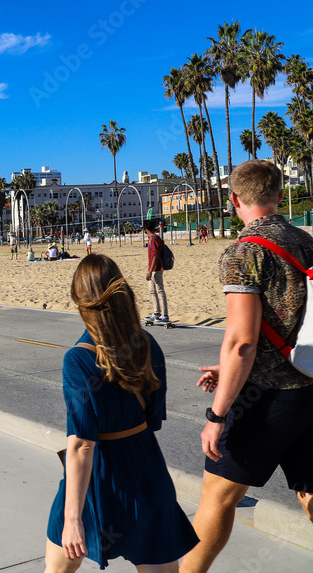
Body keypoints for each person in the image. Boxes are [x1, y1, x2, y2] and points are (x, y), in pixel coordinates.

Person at [181, 160, 313, 572]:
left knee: (218, 497)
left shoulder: (244, 252)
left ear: (234, 199)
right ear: (279, 195)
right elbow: (299, 323)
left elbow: (241, 343)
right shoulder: (306, 241)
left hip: (267, 398)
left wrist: (216, 415)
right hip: (311, 387)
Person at [45, 254, 198, 571]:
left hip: (97, 479)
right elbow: (153, 418)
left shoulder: (78, 359)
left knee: (59, 568)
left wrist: (72, 518)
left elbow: (82, 444)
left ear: (80, 300)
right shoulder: (147, 343)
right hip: (146, 469)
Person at [143, 219, 169, 324]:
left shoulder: (154, 239)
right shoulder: (152, 239)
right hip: (152, 269)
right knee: (152, 291)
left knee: (159, 290)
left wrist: (150, 271)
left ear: (145, 229)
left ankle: (165, 314)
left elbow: (156, 255)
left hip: (156, 269)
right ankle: (156, 312)